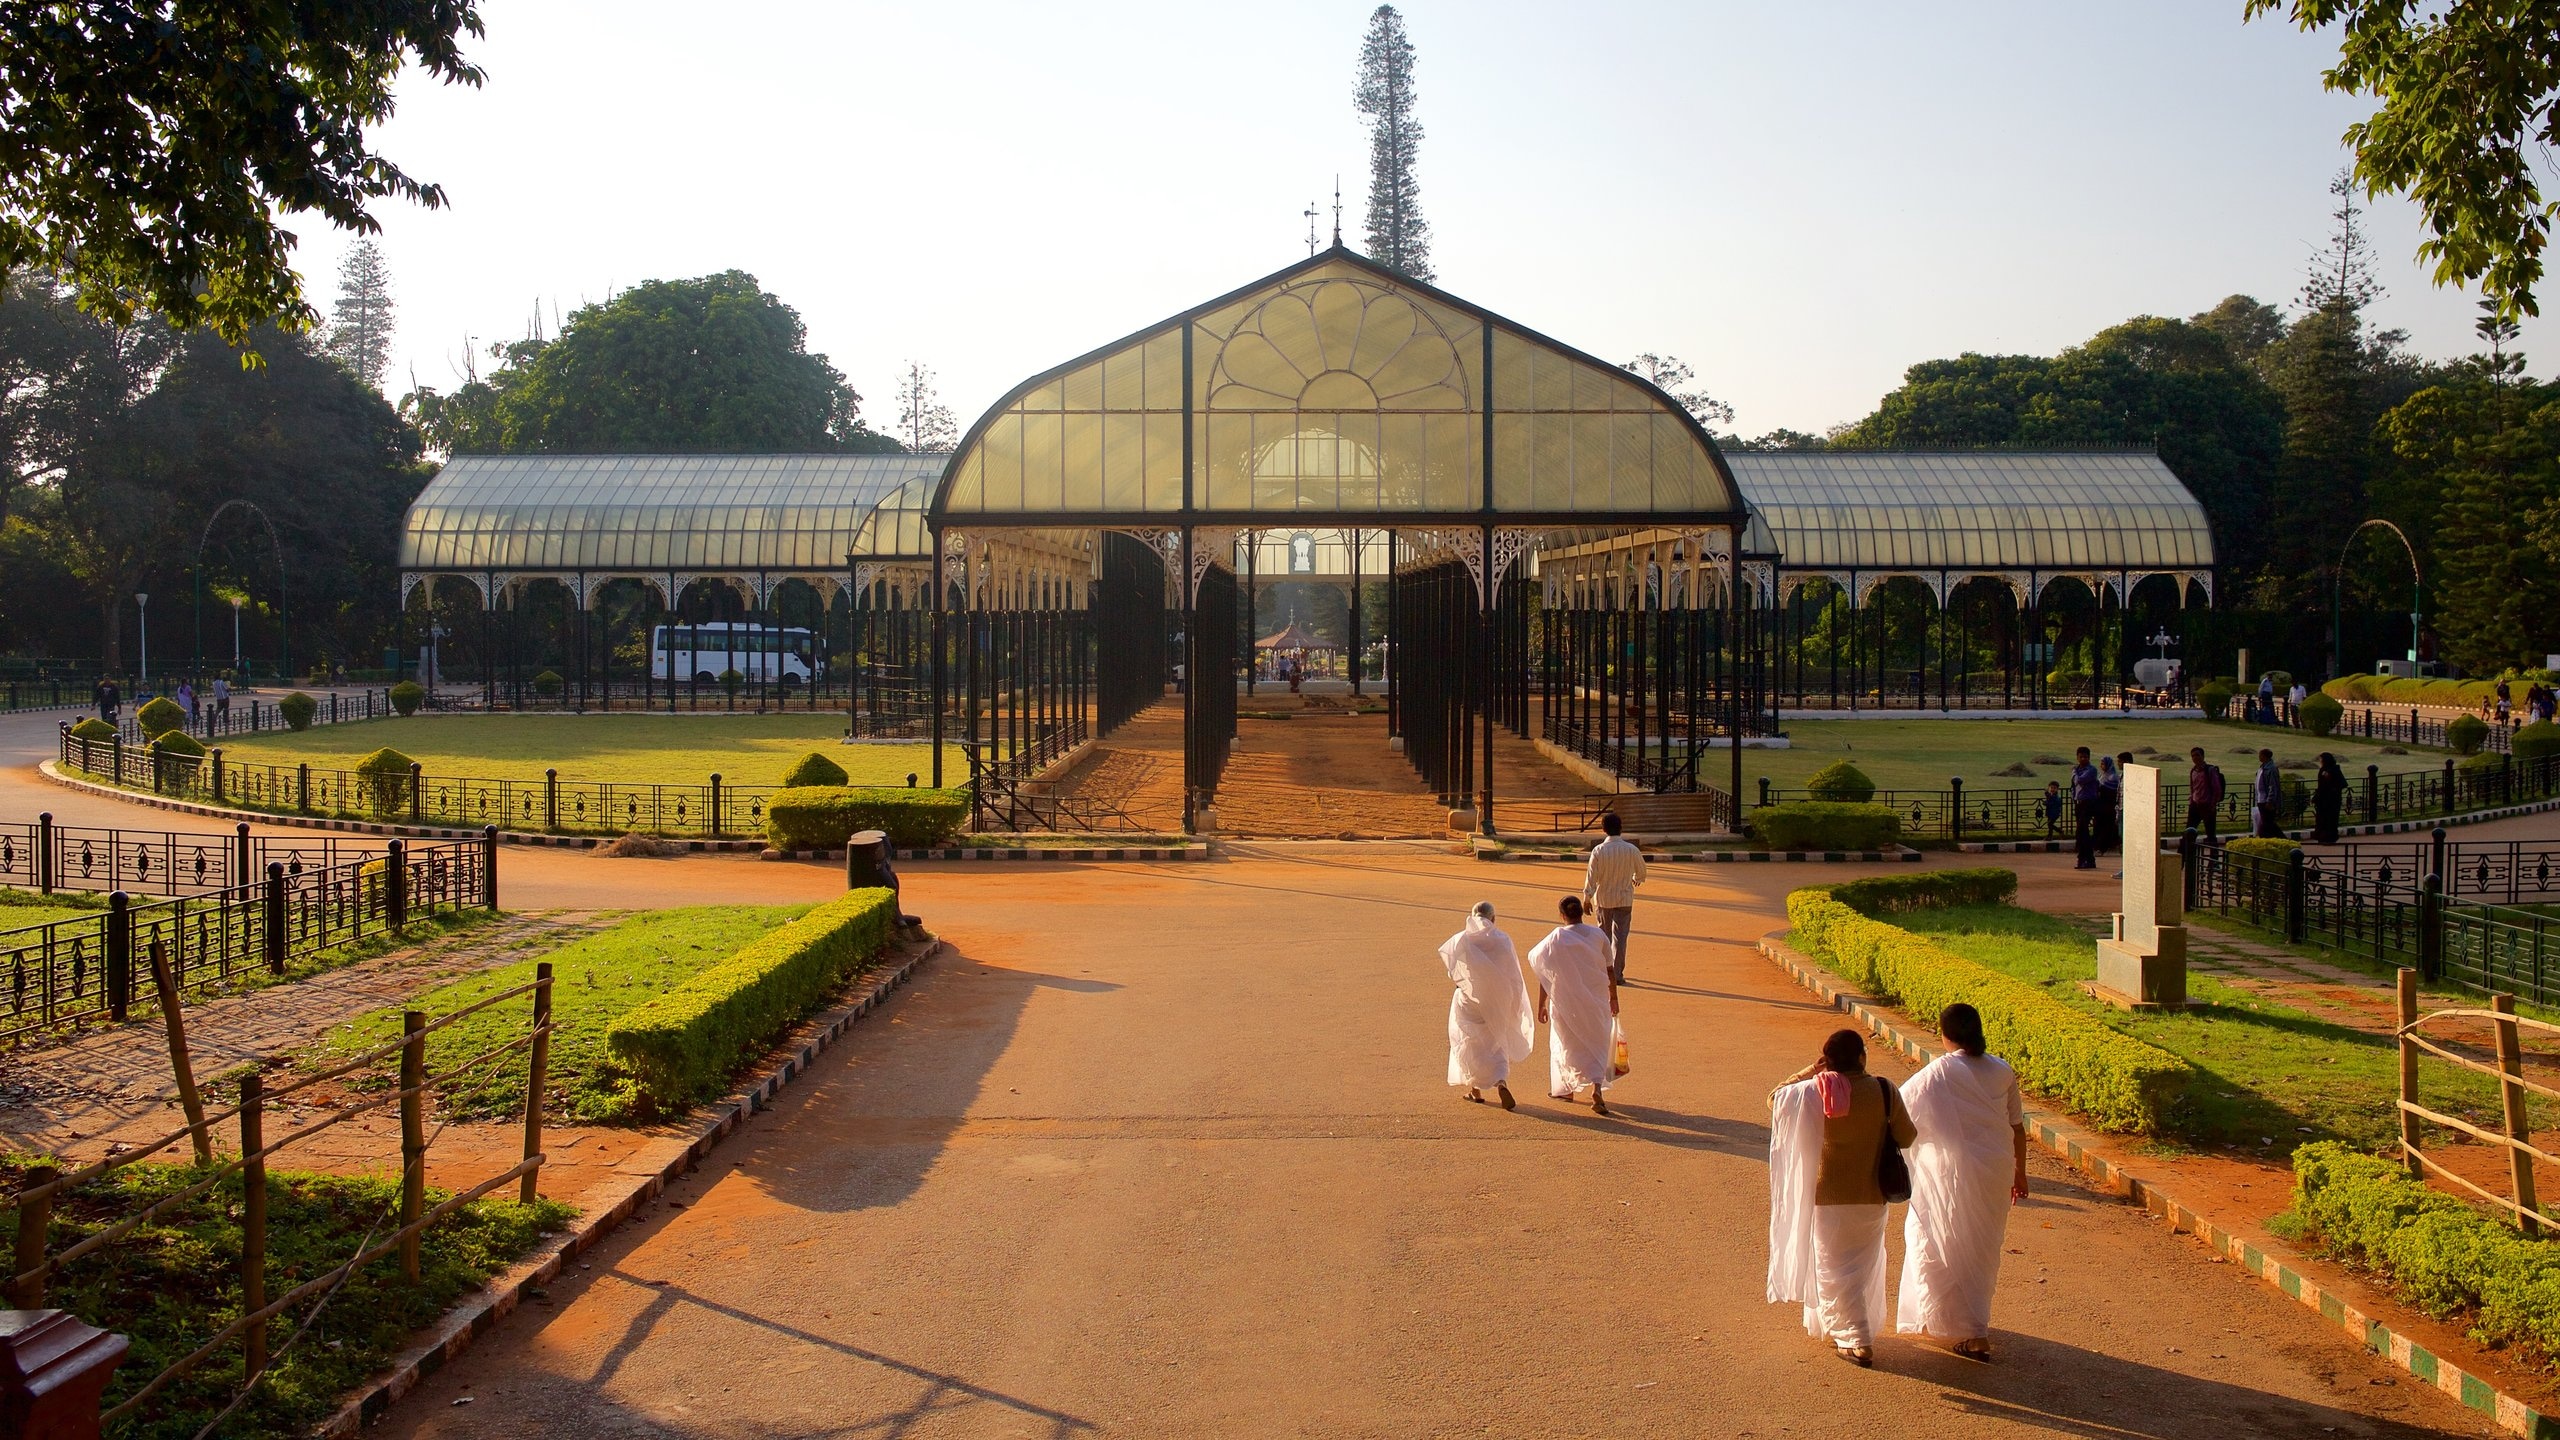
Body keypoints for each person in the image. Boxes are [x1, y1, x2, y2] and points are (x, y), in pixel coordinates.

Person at [1768, 1027, 1917, 1367]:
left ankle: (1856, 1338)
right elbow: (1907, 1137)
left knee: (1834, 1268)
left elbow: (1775, 1099)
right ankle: (1853, 1331)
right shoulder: (1884, 1089)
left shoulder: (1813, 1092)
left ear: (1828, 1061)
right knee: (1861, 1266)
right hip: (1872, 1194)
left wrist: (1811, 1070)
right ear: (1862, 1056)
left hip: (1829, 1196)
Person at [1895, 1003, 2029, 1361]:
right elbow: (2016, 1127)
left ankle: (1965, 1328)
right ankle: (1967, 1323)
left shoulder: (1938, 1073)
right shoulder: (2002, 1070)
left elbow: (1899, 1111)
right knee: (1980, 1249)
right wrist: (2020, 1172)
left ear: (1946, 1034)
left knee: (1935, 1241)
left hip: (1948, 1174)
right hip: (1995, 1171)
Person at [1527, 896, 1619, 1114]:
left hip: (1565, 1003)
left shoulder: (1555, 939)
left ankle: (1566, 1089)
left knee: (1566, 1044)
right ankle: (1597, 1088)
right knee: (1597, 1044)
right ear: (1581, 913)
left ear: (1562, 915)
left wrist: (1541, 1003)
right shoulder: (1599, 935)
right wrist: (1614, 998)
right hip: (1596, 1001)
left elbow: (1543, 972)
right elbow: (1610, 970)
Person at [1438, 901, 1533, 1110]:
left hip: (1469, 1000)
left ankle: (1475, 1090)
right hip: (1497, 1000)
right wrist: (1515, 1004)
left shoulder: (1461, 939)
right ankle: (1501, 1081)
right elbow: (1514, 976)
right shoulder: (1503, 941)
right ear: (1493, 919)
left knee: (1467, 1039)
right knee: (1497, 1040)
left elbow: (1452, 972)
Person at [1582, 811, 1648, 984]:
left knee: (1603, 938)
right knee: (1621, 938)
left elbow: (1592, 877)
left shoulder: (1599, 850)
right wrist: (1636, 879)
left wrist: (1587, 897)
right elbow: (1642, 872)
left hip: (1604, 900)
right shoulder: (1631, 850)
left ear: (1603, 829)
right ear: (1621, 828)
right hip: (1625, 900)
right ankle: (1617, 975)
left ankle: (1604, 972)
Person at [2069, 747, 2100, 870]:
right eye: (2081, 757)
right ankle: (2090, 860)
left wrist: (2074, 773)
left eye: (2085, 757)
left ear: (2089, 757)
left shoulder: (2091, 770)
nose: (2083, 759)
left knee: (2081, 831)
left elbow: (2080, 780)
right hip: (2079, 803)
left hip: (2088, 803)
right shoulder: (2077, 769)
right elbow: (2073, 786)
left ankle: (2081, 858)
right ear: (2077, 757)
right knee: (2083, 832)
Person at [2185, 746, 2223, 840]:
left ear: (2203, 756)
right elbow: (2192, 787)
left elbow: (2216, 788)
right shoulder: (2193, 771)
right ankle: (2186, 853)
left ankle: (2214, 854)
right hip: (2195, 805)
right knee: (2189, 831)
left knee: (2210, 833)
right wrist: (2191, 801)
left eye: (2197, 755)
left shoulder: (2210, 770)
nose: (2195, 758)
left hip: (2207, 805)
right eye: (2193, 756)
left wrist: (2213, 804)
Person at [2312, 752, 2347, 845]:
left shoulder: (2335, 769)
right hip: (2322, 800)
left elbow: (2342, 784)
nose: (2320, 761)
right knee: (2321, 819)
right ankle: (2321, 837)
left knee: (2331, 819)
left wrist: (2330, 779)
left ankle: (2330, 838)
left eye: (2321, 759)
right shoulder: (2323, 769)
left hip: (2332, 800)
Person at [2252, 747, 2283, 839]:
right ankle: (2272, 839)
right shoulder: (2263, 768)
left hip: (2266, 800)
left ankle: (2280, 839)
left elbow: (2272, 786)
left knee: (2267, 823)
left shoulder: (2271, 769)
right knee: (2267, 823)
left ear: (2264, 756)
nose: (2259, 757)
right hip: (2261, 799)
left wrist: (2270, 801)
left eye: (2260, 755)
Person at [2094, 755, 2122, 855]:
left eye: (2103, 764)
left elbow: (2112, 791)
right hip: (2101, 806)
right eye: (2101, 764)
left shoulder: (2113, 777)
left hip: (2108, 806)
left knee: (2106, 827)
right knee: (2100, 827)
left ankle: (2102, 848)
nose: (2101, 766)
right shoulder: (2103, 775)